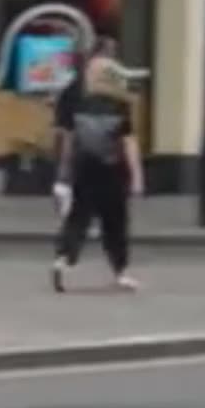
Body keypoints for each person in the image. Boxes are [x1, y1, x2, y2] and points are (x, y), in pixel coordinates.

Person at [52, 54, 143, 293]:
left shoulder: (79, 105)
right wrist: (136, 176)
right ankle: (120, 271)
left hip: (84, 170)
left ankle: (63, 259)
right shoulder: (121, 106)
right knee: (115, 223)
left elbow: (70, 142)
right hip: (113, 171)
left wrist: (65, 172)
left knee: (77, 218)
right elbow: (129, 143)